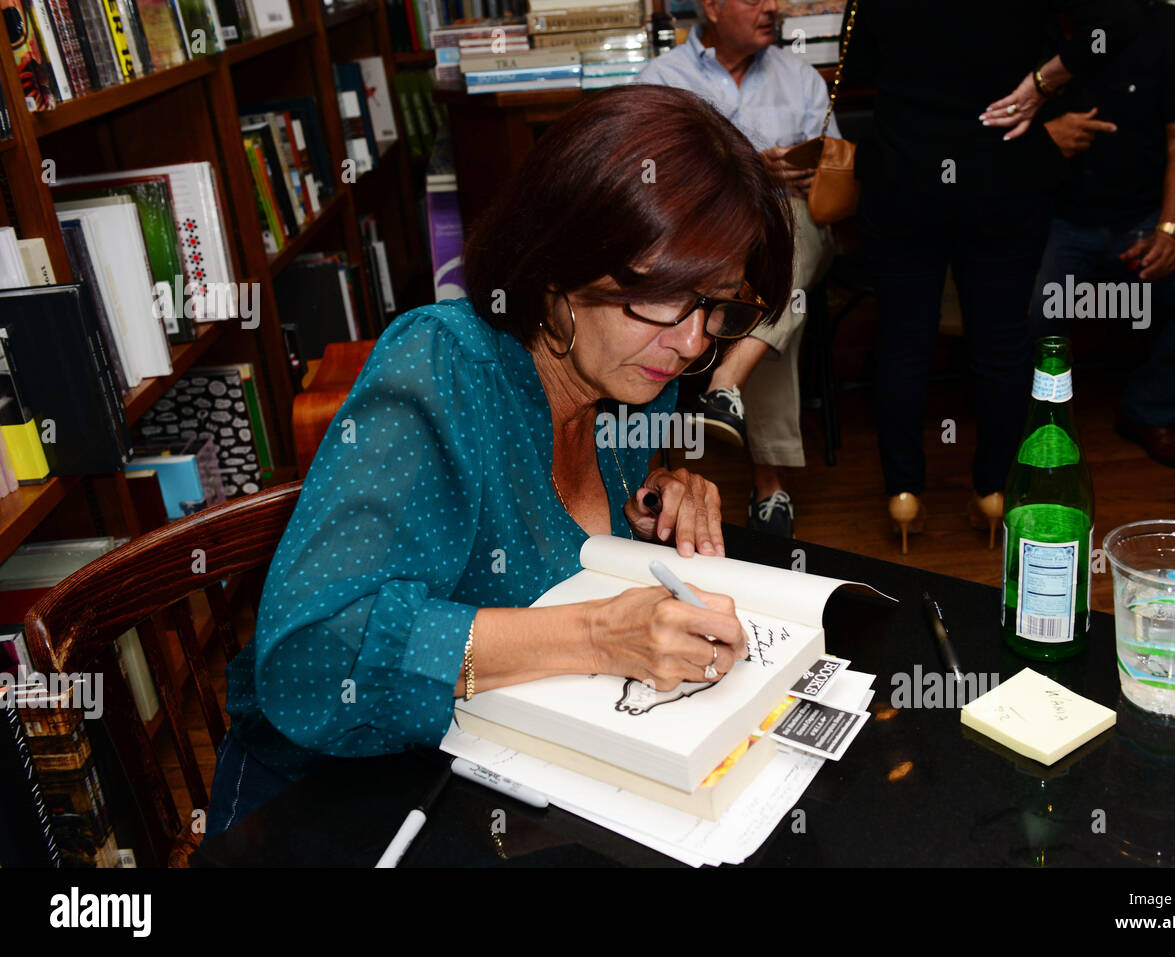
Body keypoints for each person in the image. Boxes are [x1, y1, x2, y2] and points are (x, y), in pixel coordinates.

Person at [201, 85, 795, 841]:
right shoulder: (442, 366)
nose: (691, 344)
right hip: (334, 801)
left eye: (716, 308)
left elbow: (561, 532)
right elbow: (312, 658)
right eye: (664, 298)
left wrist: (655, 497)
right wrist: (597, 635)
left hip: (507, 781)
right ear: (559, 261)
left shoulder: (640, 384)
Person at [842, 0, 1141, 553]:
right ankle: (993, 495)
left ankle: (903, 494)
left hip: (906, 176)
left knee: (904, 342)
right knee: (1001, 346)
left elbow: (856, 73)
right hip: (1000, 173)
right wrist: (1042, 83)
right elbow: (1117, 23)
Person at [638, 0, 837, 538]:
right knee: (772, 312)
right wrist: (745, 171)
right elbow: (646, 181)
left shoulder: (802, 80)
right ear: (711, 6)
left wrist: (811, 170)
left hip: (791, 235)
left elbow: (834, 183)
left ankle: (726, 385)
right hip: (703, 241)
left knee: (784, 253)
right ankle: (768, 485)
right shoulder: (661, 79)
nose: (772, 7)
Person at [1031, 0, 1175, 470]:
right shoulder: (1034, 25)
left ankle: (1152, 411)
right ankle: (1042, 427)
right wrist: (1044, 137)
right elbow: (982, 128)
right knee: (1029, 307)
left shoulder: (1170, 27)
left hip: (1146, 214)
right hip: (1054, 217)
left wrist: (1170, 230)